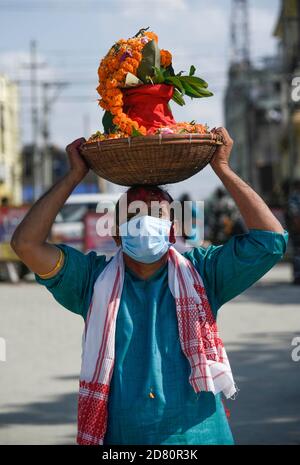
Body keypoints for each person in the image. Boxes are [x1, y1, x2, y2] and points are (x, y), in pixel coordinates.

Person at [11, 128, 288, 445]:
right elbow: (26, 244)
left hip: (202, 438)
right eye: (133, 214)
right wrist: (73, 176)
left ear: (171, 232)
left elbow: (271, 242)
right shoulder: (90, 280)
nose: (144, 221)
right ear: (115, 234)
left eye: (156, 213)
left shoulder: (203, 272)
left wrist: (222, 168)